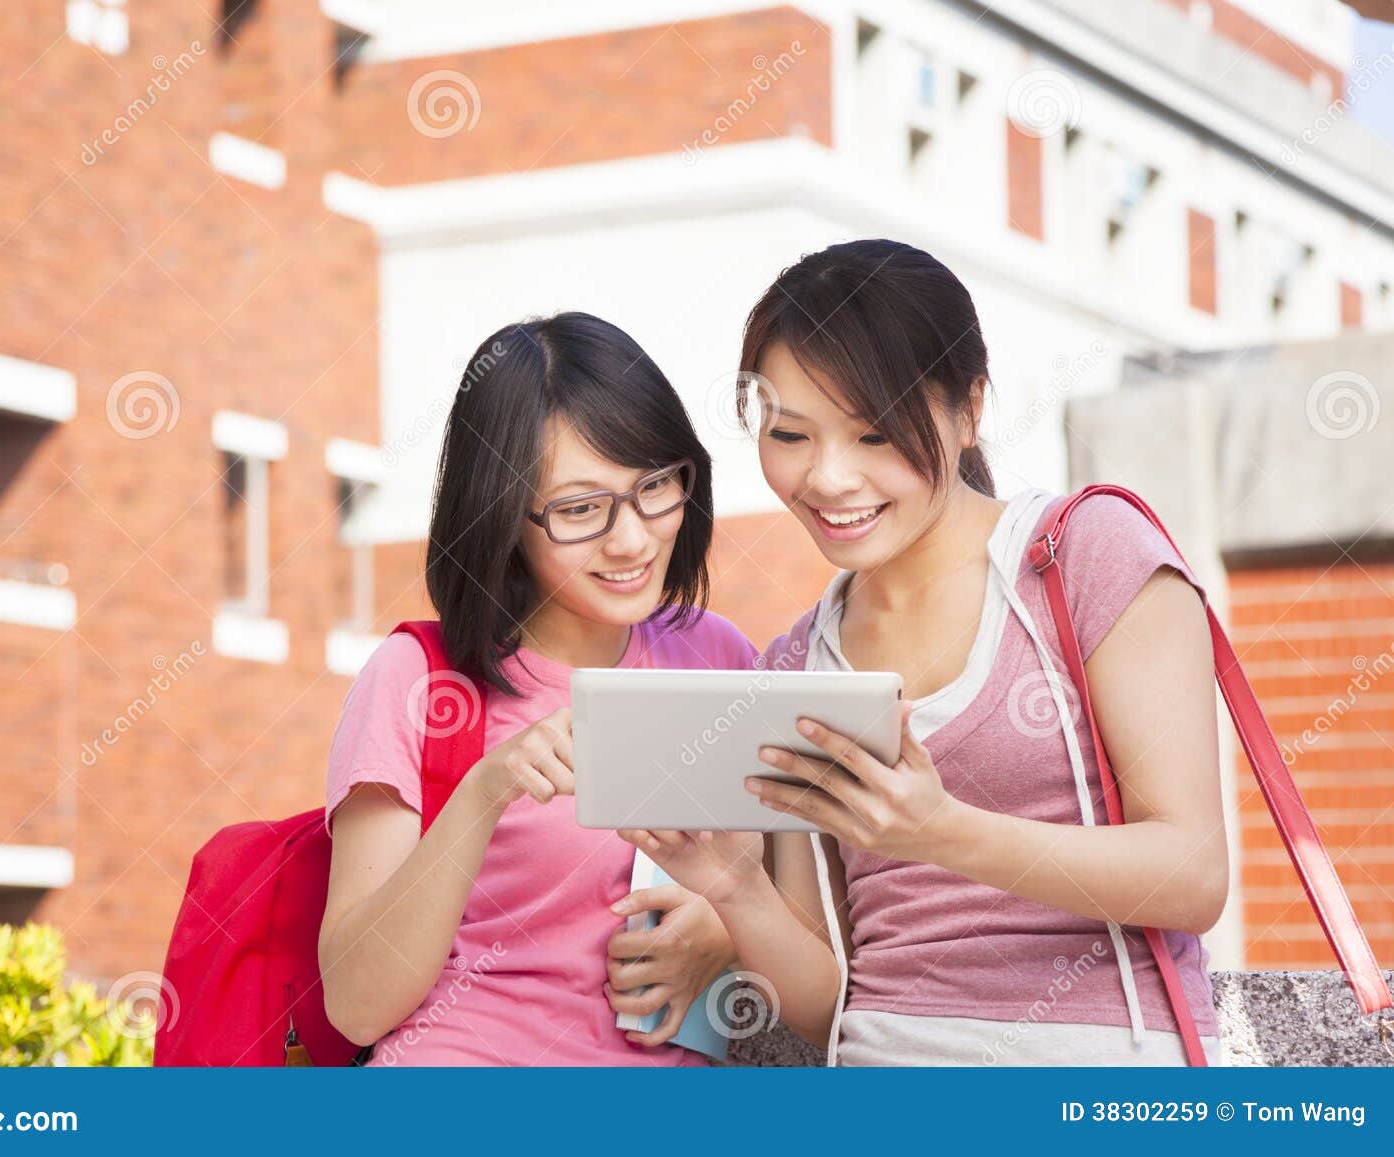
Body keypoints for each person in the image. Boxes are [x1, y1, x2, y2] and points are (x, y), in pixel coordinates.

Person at [623, 240, 1228, 1066]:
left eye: (874, 435)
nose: (829, 478)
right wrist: (736, 887)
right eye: (791, 434)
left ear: (969, 408)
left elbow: (1193, 874)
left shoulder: (1086, 553)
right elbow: (818, 1000)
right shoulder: (794, 663)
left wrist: (943, 832)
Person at [319, 312, 758, 1065]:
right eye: (581, 509)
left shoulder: (718, 655)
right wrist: (487, 789)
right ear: (502, 515)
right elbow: (357, 1004)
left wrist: (725, 928)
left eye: (656, 486)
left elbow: (805, 890)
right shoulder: (419, 680)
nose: (632, 539)